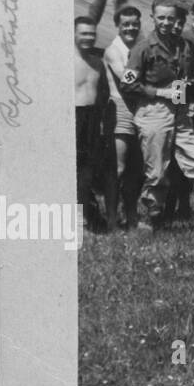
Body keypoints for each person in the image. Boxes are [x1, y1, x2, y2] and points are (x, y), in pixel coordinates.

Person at [122, 0, 194, 230]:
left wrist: (193, 85)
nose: (166, 23)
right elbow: (128, 84)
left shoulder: (184, 46)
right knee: (156, 169)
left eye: (170, 18)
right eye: (161, 18)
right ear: (153, 18)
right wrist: (160, 92)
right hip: (153, 111)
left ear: (177, 20)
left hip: (180, 111)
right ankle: (151, 218)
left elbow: (186, 77)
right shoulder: (143, 48)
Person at [103, 3, 145, 228]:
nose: (131, 28)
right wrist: (158, 85)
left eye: (135, 24)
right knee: (117, 168)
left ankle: (131, 217)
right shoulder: (113, 50)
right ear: (117, 25)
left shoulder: (140, 46)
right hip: (121, 108)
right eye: (126, 24)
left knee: (136, 170)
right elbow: (128, 82)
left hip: (141, 108)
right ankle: (111, 219)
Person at [73, 15, 114, 232]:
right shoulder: (65, 61)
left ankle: (83, 215)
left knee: (87, 172)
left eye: (92, 33)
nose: (89, 37)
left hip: (92, 119)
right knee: (70, 170)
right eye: (84, 33)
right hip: (71, 117)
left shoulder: (98, 63)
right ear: (73, 34)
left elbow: (104, 95)